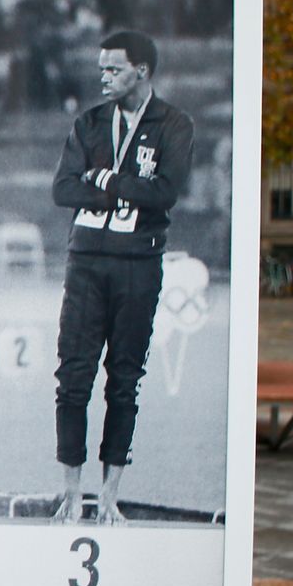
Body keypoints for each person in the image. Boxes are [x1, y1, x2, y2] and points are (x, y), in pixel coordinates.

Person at [50, 30, 194, 525]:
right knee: (73, 377)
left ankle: (109, 494)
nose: (103, 77)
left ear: (142, 72)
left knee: (124, 381)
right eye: (101, 68)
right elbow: (63, 190)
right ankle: (71, 493)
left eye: (113, 69)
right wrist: (123, 190)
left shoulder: (174, 124)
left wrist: (106, 179)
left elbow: (166, 193)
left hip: (138, 263)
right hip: (87, 260)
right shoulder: (89, 123)